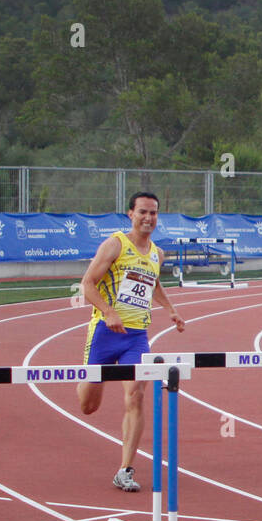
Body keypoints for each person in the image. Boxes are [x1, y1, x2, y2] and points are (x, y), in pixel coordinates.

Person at [76, 191, 185, 492]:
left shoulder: (156, 254)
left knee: (136, 394)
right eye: (143, 212)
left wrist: (170, 309)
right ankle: (86, 380)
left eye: (153, 213)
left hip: (136, 337)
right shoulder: (115, 245)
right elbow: (86, 284)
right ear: (130, 214)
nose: (149, 218)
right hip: (104, 334)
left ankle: (125, 469)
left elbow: (153, 282)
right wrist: (108, 311)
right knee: (88, 406)